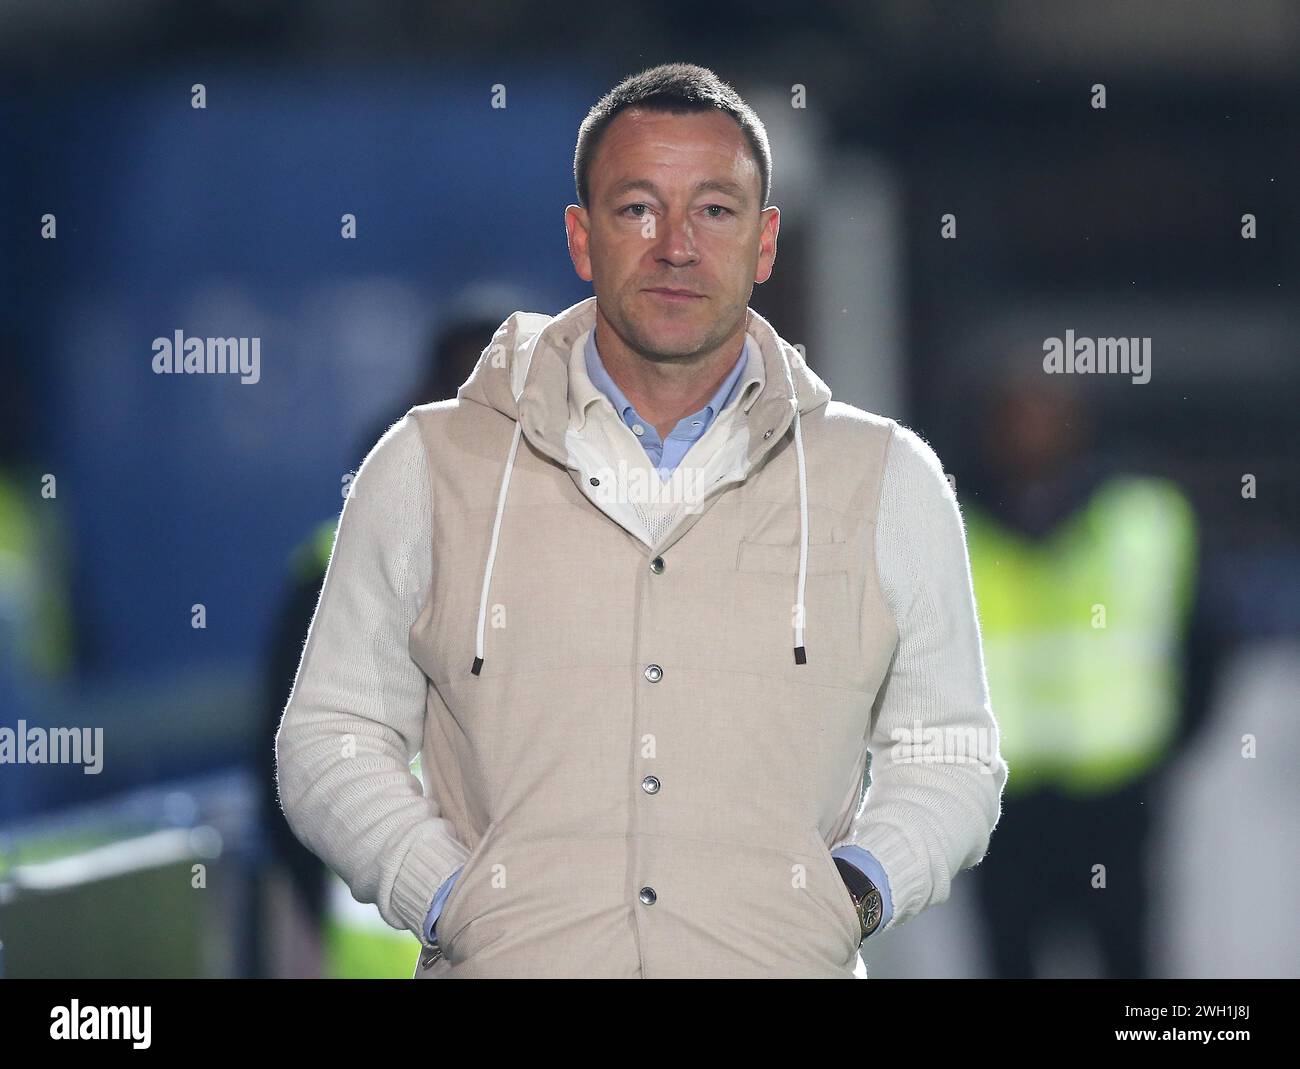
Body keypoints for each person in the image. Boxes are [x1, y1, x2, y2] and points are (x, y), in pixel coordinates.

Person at [275, 62, 1006, 979]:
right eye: (636, 209)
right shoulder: (427, 466)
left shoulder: (887, 479)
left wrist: (849, 895)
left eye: (714, 210)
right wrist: (454, 899)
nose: (675, 246)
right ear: (582, 238)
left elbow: (952, 756)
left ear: (765, 240)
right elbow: (326, 737)